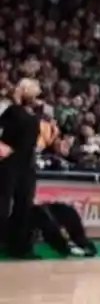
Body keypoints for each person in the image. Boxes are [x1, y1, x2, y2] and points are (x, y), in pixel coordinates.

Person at [0, 78, 42, 258]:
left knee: (22, 205)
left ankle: (18, 245)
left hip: (24, 163)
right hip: (12, 163)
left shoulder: (29, 114)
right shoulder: (14, 112)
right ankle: (11, 244)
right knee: (5, 204)